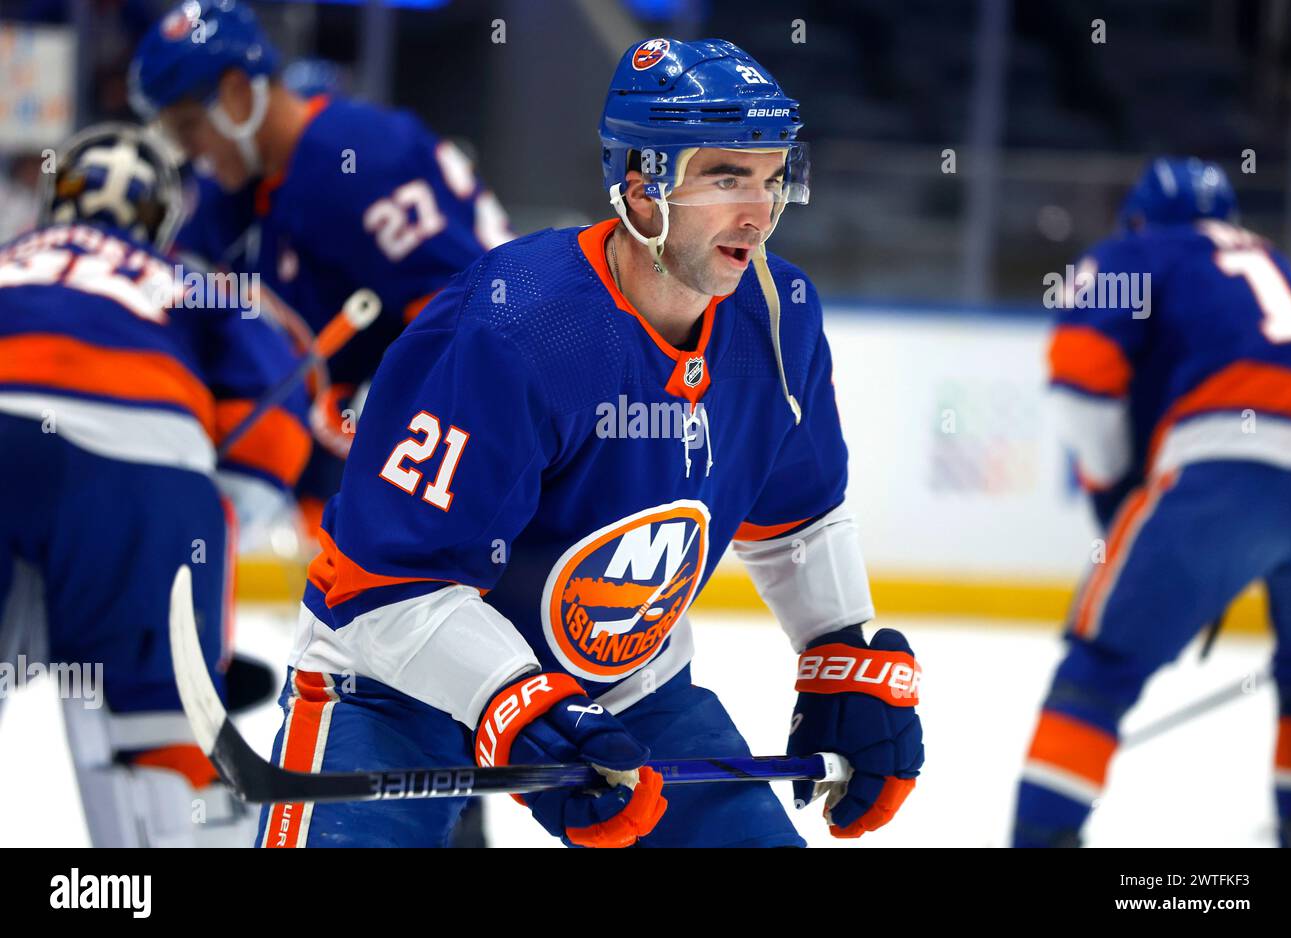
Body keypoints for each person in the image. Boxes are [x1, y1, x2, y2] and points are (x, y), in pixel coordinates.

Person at [254, 37, 923, 849]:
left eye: (772, 176)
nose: (759, 211)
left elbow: (799, 516)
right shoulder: (513, 325)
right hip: (396, 690)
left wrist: (838, 643)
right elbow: (380, 582)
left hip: (629, 688)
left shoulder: (778, 318)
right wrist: (510, 696)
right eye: (724, 177)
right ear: (641, 186)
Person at [0, 122, 310, 846]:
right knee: (165, 732)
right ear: (160, 215)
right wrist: (205, 506)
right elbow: (274, 419)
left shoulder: (8, 257)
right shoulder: (192, 279)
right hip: (139, 472)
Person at [129, 0, 513, 535]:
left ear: (238, 94)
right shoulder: (238, 187)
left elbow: (480, 321)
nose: (191, 153)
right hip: (331, 467)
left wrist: (379, 410)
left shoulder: (354, 159)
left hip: (442, 448)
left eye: (190, 128)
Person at [1014, 157, 1291, 847]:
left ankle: (1040, 838)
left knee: (1100, 666)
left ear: (1137, 216)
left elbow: (1082, 386)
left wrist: (1117, 498)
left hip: (1224, 468)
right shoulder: (1275, 259)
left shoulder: (1136, 251)